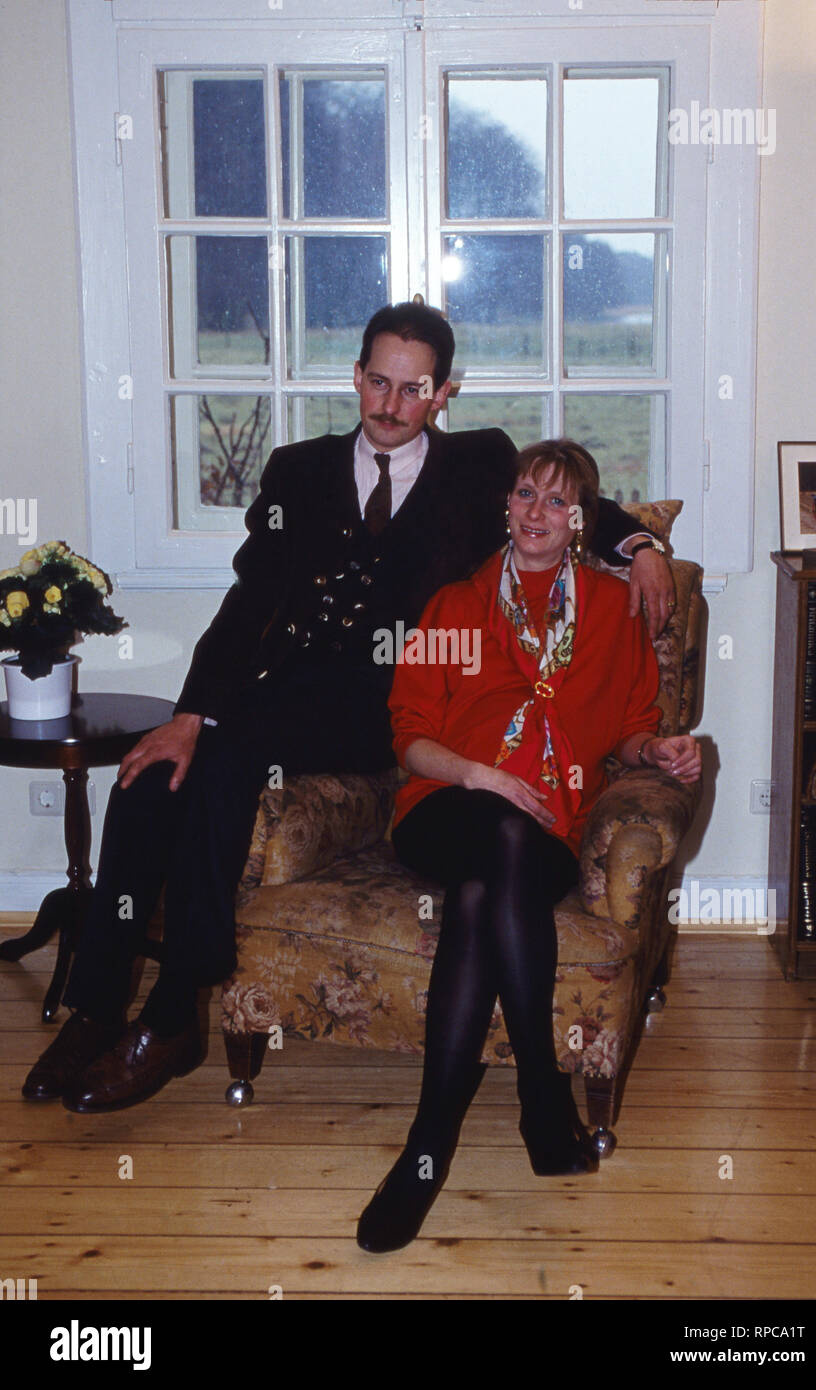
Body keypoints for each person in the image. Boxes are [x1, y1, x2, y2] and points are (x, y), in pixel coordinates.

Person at [22, 302, 675, 1113]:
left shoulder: (479, 467)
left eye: (413, 389)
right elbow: (248, 600)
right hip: (288, 693)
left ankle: (172, 1009)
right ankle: (93, 1010)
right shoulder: (297, 470)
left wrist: (639, 547)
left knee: (218, 761)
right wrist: (190, 711)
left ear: (442, 394)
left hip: (388, 708)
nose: (390, 405)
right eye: (377, 381)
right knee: (150, 772)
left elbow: (569, 503)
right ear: (356, 374)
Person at [356, 438, 701, 1253]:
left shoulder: (614, 612)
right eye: (523, 496)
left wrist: (658, 752)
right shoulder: (454, 606)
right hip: (443, 806)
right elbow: (408, 739)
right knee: (499, 832)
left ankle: (428, 1148)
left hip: (552, 827)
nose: (535, 513)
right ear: (504, 507)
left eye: (555, 501)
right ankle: (537, 1099)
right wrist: (480, 775)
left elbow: (627, 732)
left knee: (486, 889)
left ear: (580, 519)